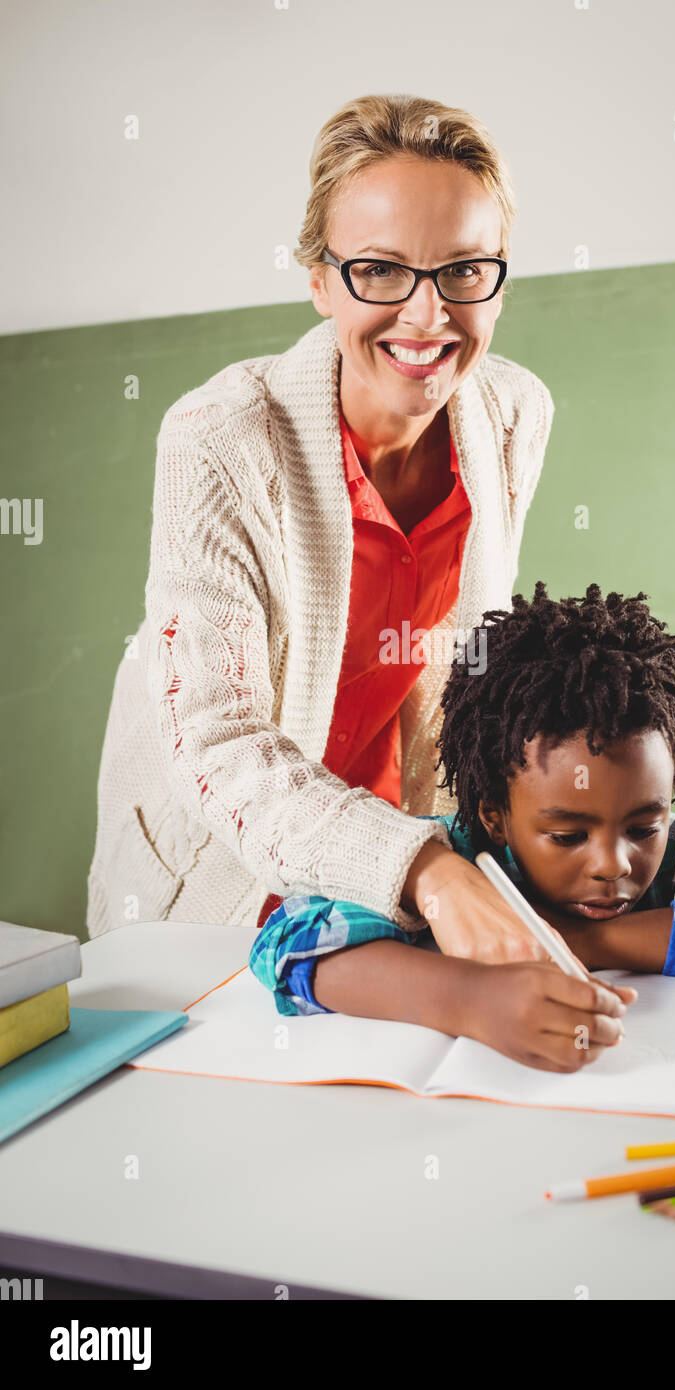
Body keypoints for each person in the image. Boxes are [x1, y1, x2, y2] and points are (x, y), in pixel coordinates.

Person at [85, 93, 568, 968]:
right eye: (380, 270)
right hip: (216, 889)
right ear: (319, 281)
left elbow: (473, 669)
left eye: (464, 270)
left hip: (388, 877)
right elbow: (219, 741)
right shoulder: (221, 440)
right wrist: (424, 868)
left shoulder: (513, 415)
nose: (428, 317)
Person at [249, 582, 675, 1074]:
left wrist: (574, 940)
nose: (614, 864)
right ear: (494, 813)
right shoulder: (455, 862)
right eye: (569, 836)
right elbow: (291, 941)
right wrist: (470, 999)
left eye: (643, 826)